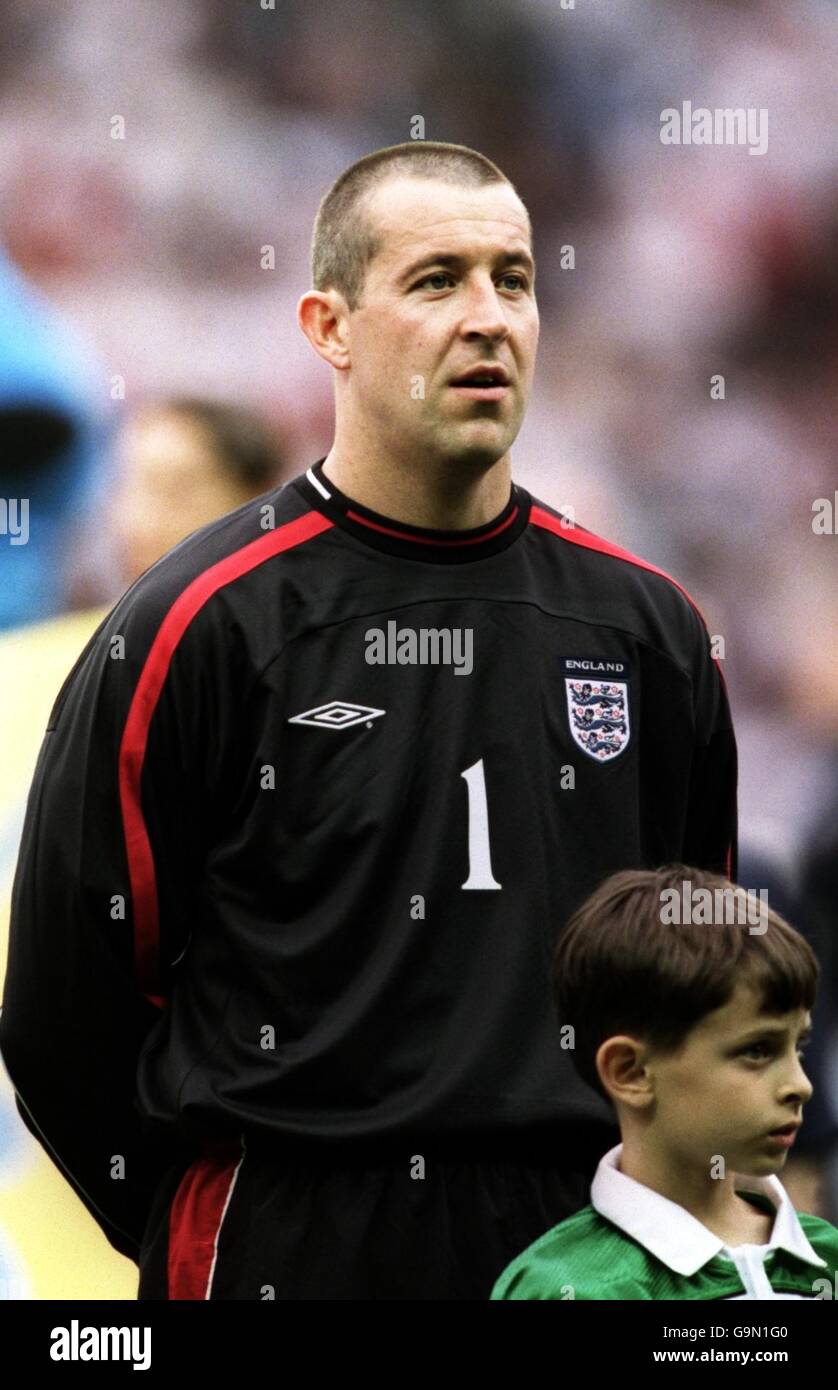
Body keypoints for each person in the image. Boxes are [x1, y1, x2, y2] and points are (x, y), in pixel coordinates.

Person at [0, 141, 737, 1302]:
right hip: (292, 1242)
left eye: (515, 278)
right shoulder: (195, 626)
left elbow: (695, 990)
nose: (488, 317)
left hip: (581, 1252)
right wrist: (212, 1220)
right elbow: (61, 1012)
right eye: (437, 280)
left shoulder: (647, 632)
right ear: (327, 326)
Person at [491, 865, 838, 1300]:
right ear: (630, 1072)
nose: (801, 1085)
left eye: (799, 1047)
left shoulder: (827, 1258)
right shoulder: (566, 1287)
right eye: (757, 1050)